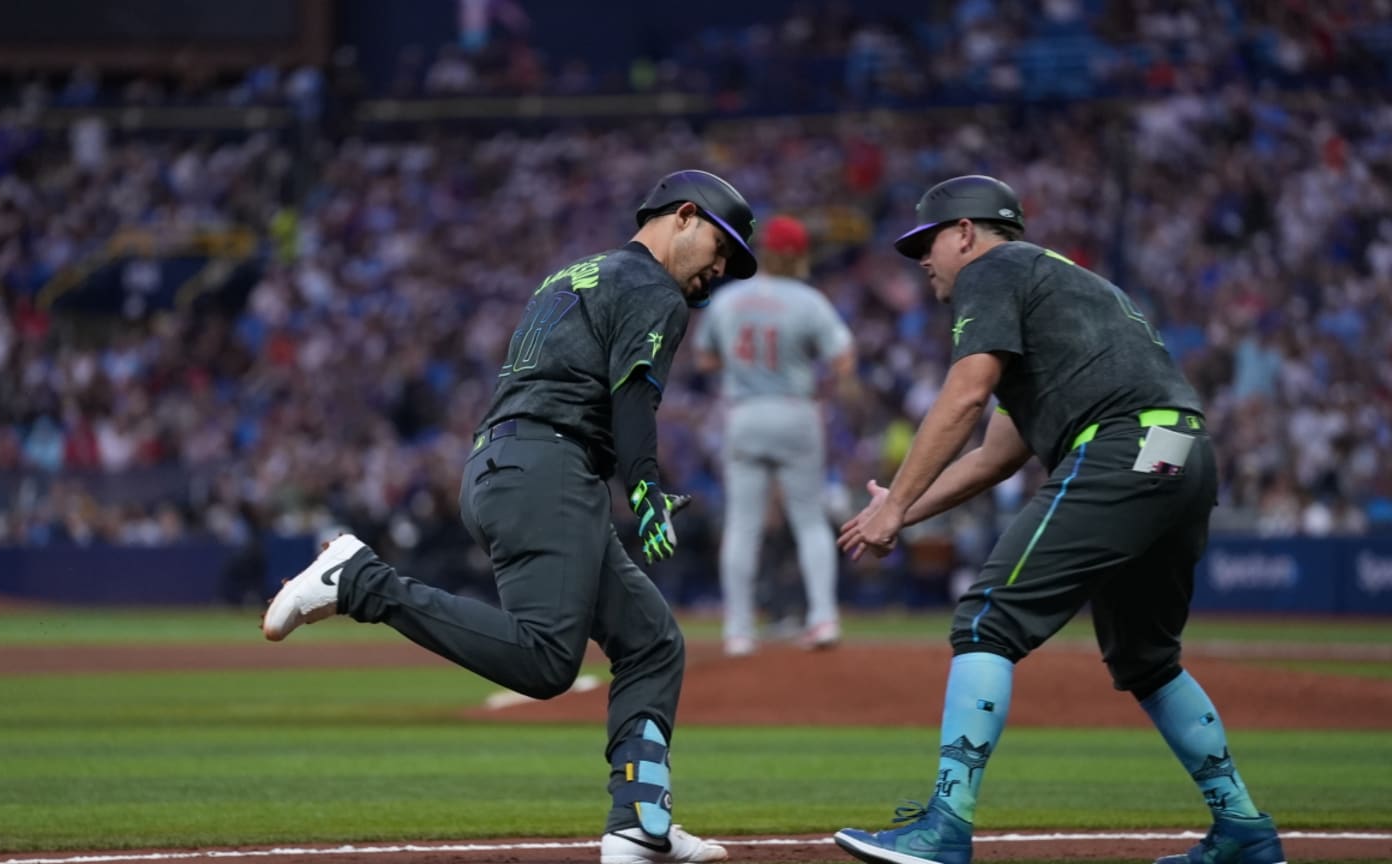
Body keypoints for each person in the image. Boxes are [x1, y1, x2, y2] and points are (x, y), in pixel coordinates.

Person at [262, 169, 760, 864]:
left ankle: (638, 820)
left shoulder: (574, 274)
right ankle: (361, 582)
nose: (720, 269)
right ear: (683, 215)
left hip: (510, 466)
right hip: (548, 471)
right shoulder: (654, 290)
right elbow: (634, 397)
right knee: (547, 658)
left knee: (651, 642)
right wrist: (643, 486)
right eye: (721, 246)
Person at [831, 175, 1286, 864]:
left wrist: (895, 507)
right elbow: (995, 456)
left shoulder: (993, 268)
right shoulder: (1060, 289)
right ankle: (1244, 830)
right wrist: (898, 506)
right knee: (1147, 659)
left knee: (986, 620)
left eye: (929, 241)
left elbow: (963, 396)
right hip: (1183, 454)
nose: (921, 259)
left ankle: (945, 827)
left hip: (1124, 447)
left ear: (966, 233)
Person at [693, 214, 856, 656]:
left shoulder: (729, 300)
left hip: (744, 412)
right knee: (808, 521)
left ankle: (739, 631)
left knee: (742, 525)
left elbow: (705, 361)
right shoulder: (808, 300)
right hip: (794, 410)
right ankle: (823, 619)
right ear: (799, 255)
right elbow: (842, 359)